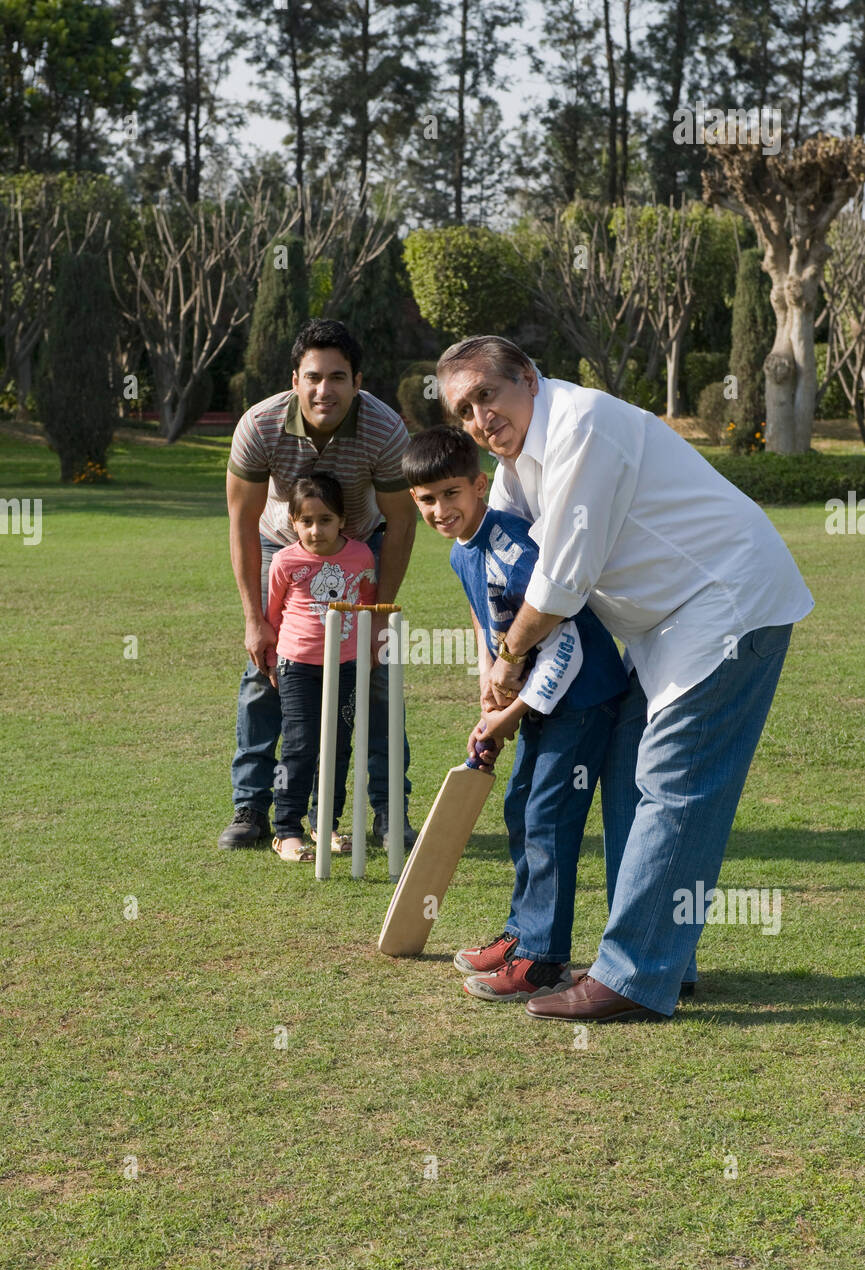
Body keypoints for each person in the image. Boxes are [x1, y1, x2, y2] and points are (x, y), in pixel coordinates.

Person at [436, 334, 814, 1023]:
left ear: (527, 376)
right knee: (623, 768)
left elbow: (556, 586)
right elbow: (505, 572)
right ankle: (662, 957)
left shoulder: (583, 426)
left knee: (674, 785)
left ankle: (634, 975)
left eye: (486, 395)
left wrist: (513, 661)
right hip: (660, 627)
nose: (478, 419)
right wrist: (493, 678)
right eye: (463, 411)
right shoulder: (516, 459)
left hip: (726, 605)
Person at [403, 424, 628, 1002]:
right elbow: (490, 627)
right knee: (521, 810)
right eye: (426, 499)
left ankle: (544, 961)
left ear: (481, 486)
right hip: (537, 703)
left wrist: (512, 712)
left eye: (451, 493)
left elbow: (567, 640)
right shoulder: (462, 553)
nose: (439, 509)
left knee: (548, 820)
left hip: (582, 701)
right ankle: (523, 934)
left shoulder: (515, 546)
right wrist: (490, 695)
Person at [220, 318, 417, 851]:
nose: (323, 389)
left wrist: (380, 614)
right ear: (295, 378)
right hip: (282, 547)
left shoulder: (383, 429)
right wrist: (253, 619)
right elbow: (241, 521)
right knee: (264, 668)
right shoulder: (259, 425)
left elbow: (401, 522)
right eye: (312, 377)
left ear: (357, 381)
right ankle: (252, 808)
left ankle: (387, 809)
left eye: (336, 377)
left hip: (363, 544)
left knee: (375, 671)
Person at [265, 474, 376, 863]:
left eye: (325, 519)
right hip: (296, 666)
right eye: (306, 521)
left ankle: (324, 824)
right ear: (293, 521)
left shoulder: (361, 556)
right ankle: (287, 830)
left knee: (337, 747)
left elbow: (366, 600)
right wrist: (271, 659)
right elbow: (273, 612)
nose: (316, 530)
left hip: (345, 666)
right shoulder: (285, 561)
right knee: (299, 745)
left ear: (342, 519)